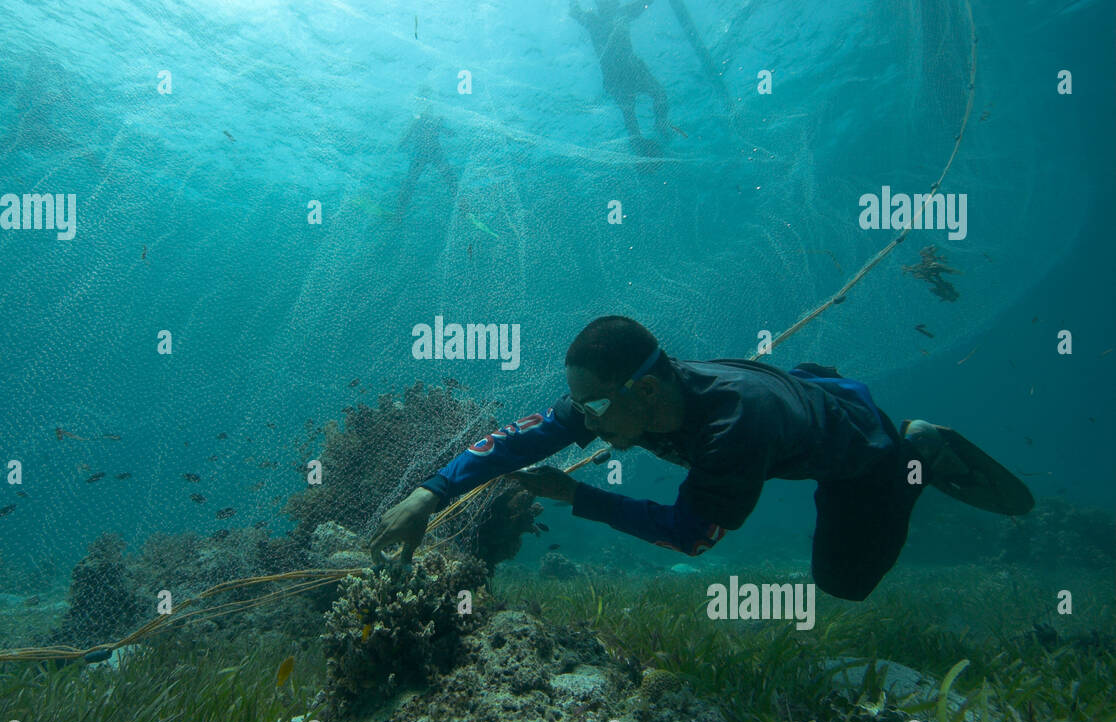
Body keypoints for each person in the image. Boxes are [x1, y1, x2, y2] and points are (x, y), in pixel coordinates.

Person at [368, 316, 1033, 601]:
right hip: (806, 400)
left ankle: (920, 449)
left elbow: (690, 536)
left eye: (593, 410)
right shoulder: (635, 398)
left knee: (844, 583)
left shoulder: (731, 433)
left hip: (858, 452)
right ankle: (821, 384)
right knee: (802, 397)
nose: (583, 423)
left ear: (646, 390)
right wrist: (427, 497)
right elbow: (519, 438)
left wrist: (575, 497)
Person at [562, 0, 679, 151]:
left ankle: (659, 125)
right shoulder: (595, 19)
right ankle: (644, 144)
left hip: (627, 69)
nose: (611, 3)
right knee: (632, 112)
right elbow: (575, 12)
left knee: (654, 97)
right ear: (600, 4)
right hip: (617, 74)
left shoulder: (620, 12)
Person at [394, 88, 463, 222]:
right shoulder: (424, 119)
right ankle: (399, 212)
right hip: (426, 153)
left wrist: (401, 144)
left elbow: (447, 132)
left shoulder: (431, 119)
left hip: (430, 153)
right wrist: (401, 143)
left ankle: (464, 206)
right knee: (411, 181)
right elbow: (407, 135)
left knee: (449, 178)